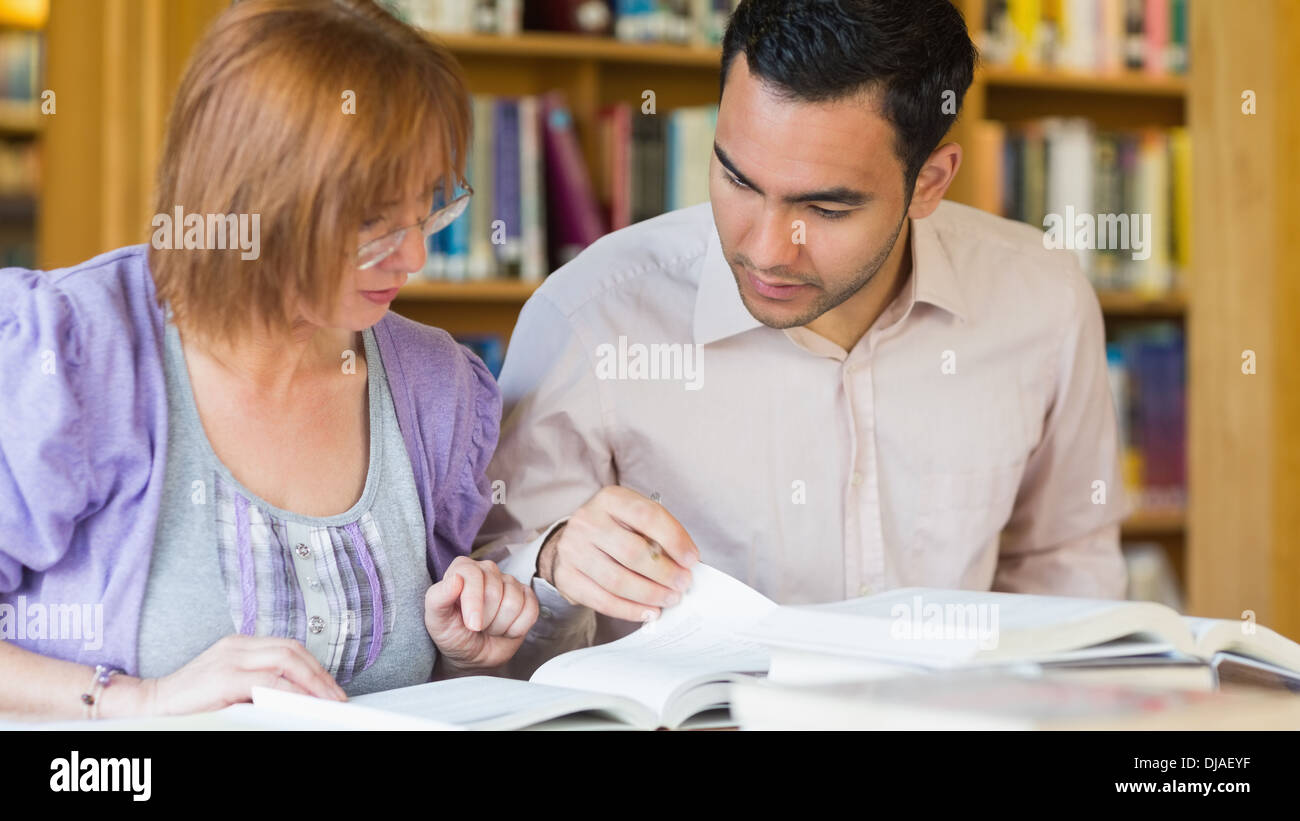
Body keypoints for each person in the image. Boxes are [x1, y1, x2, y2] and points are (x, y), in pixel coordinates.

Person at [478, 0, 1129, 676]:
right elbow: (490, 640)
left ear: (928, 184)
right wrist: (551, 565)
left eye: (825, 207)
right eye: (736, 178)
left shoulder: (1042, 301)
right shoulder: (591, 316)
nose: (765, 250)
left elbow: (1064, 568)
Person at [0, 0, 536, 721]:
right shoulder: (75, 353)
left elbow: (416, 690)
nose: (412, 255)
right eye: (371, 218)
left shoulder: (436, 387)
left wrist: (460, 651)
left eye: (428, 205)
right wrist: (138, 698)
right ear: (257, 195)